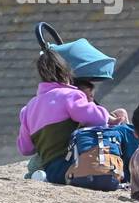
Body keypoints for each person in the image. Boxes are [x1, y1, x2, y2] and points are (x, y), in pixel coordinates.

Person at [17, 45, 132, 185]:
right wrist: (109, 116)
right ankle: (134, 171)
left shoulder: (27, 109)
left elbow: (26, 148)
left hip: (51, 170)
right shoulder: (70, 96)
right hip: (73, 164)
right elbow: (98, 119)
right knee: (125, 131)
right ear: (67, 74)